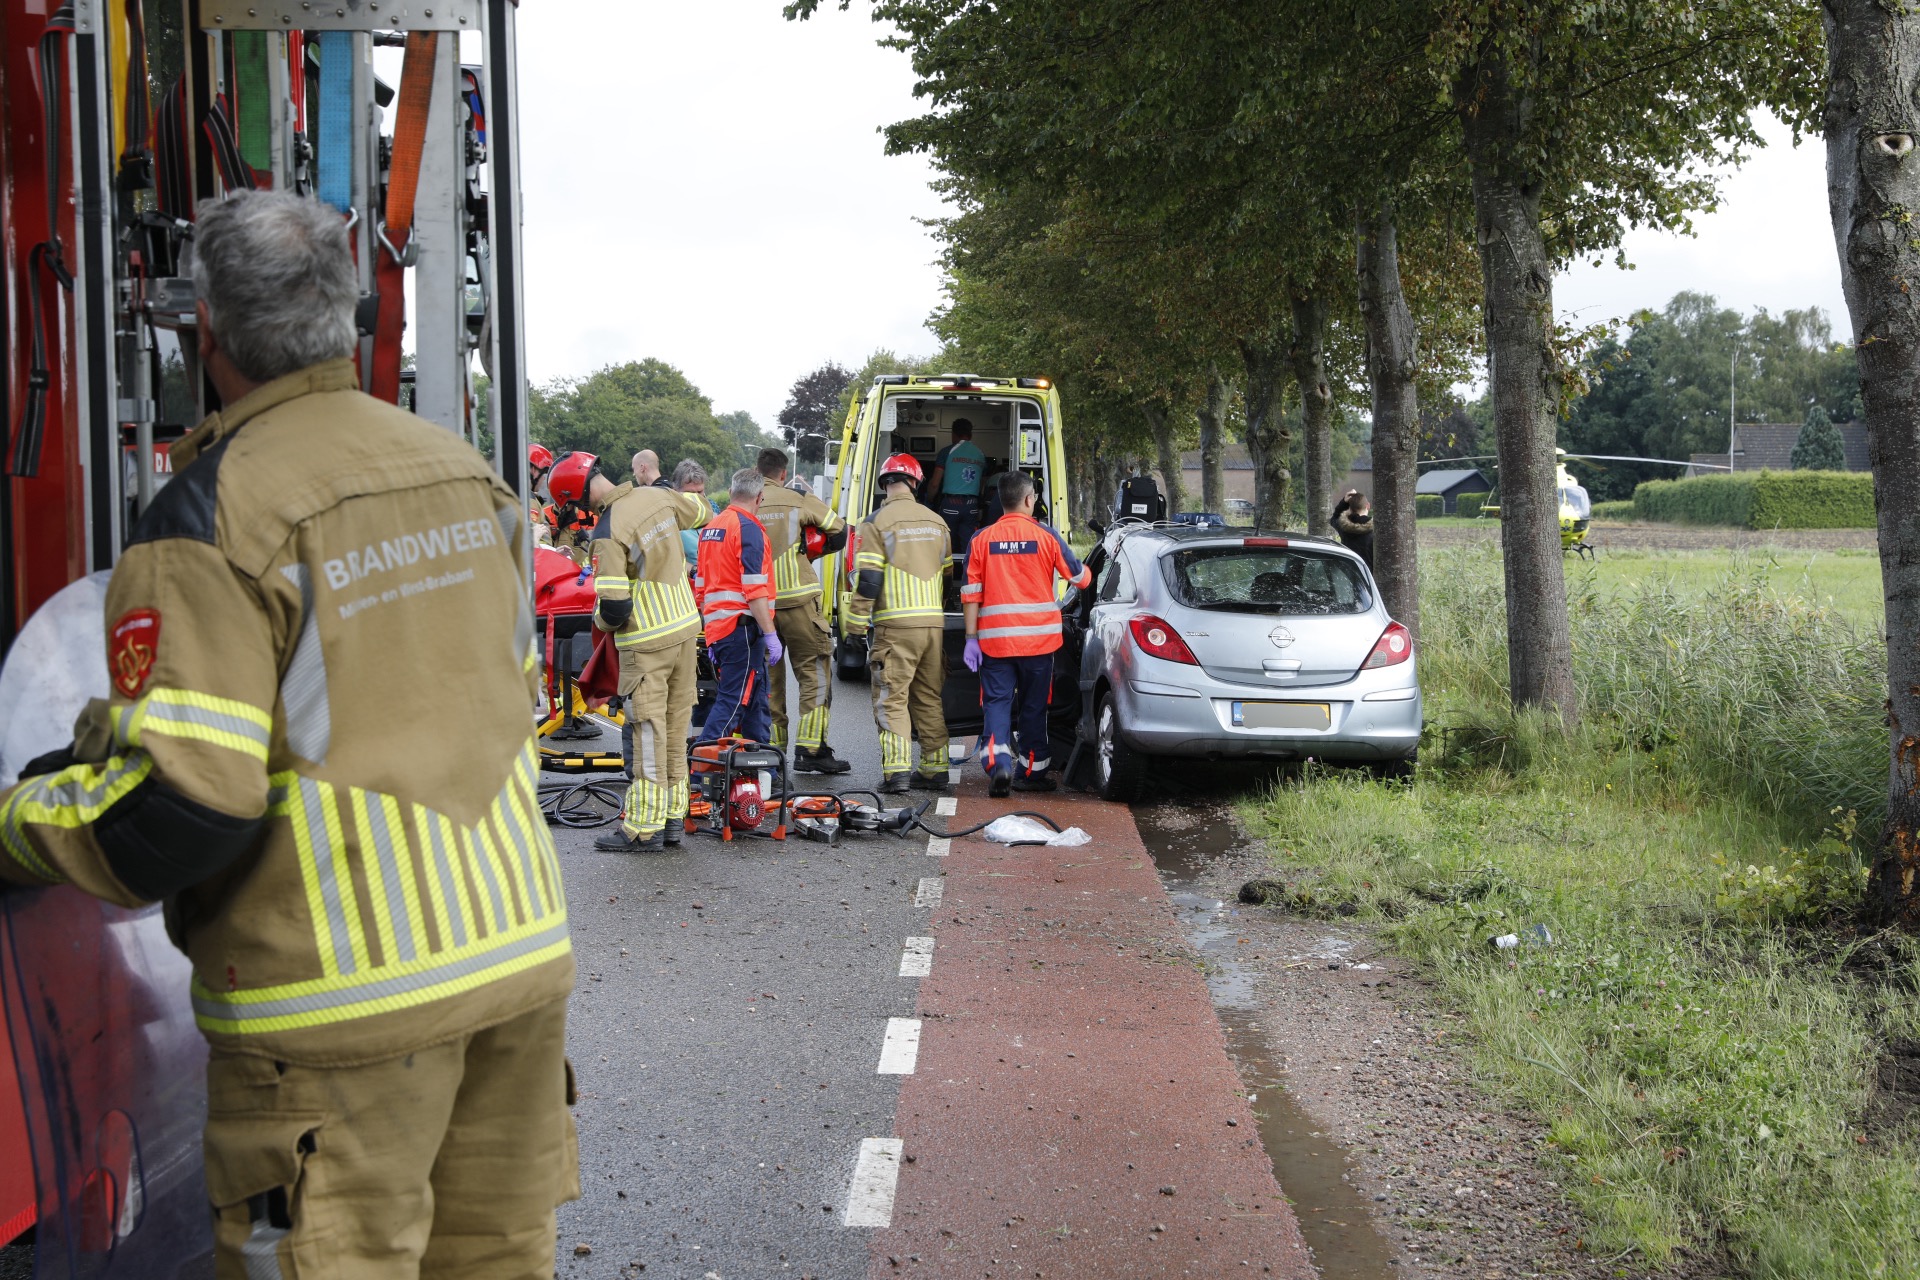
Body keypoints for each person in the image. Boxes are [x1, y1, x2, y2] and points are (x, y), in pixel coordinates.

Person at [0, 191, 577, 1275]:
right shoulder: (465, 472)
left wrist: (20, 823)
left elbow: (184, 804)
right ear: (347, 319)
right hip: (517, 963)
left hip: (339, 1014)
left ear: (201, 328)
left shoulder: (212, 513)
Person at [548, 451, 711, 852]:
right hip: (686, 631)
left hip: (647, 641)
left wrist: (600, 626)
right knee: (676, 729)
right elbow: (702, 510)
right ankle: (674, 819)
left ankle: (643, 828)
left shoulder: (606, 528)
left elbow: (615, 607)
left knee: (648, 732)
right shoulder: (656, 495)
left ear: (577, 496)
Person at [963, 470, 1091, 797]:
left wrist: (970, 639)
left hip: (996, 644)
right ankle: (1031, 773)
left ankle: (999, 765)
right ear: (1029, 499)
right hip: (1039, 645)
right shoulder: (1046, 536)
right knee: (1034, 708)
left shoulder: (981, 540)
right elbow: (1080, 580)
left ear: (1000, 501)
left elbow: (971, 594)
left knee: (996, 704)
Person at [845, 454, 954, 793]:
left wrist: (853, 627)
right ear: (916, 483)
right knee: (928, 696)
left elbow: (869, 582)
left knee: (891, 697)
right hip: (932, 628)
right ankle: (936, 769)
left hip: (896, 628)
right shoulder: (937, 522)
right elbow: (948, 578)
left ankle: (897, 773)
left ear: (885, 484)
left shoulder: (875, 522)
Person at [754, 447, 851, 774]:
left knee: (769, 681)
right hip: (799, 601)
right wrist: (809, 554)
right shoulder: (798, 499)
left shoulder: (744, 503)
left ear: (758, 471)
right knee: (814, 673)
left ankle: (772, 754)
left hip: (758, 607)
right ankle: (811, 750)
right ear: (783, 474)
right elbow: (838, 530)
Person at [696, 468, 782, 745]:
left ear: (732, 493)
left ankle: (764, 770)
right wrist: (771, 634)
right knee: (733, 703)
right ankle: (701, 773)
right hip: (742, 630)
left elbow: (701, 586)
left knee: (755, 704)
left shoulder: (711, 528)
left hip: (722, 630)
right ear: (759, 498)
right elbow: (755, 590)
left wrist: (711, 629)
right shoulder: (749, 529)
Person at [928, 417, 987, 552]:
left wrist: (930, 500)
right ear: (970, 434)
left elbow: (935, 483)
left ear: (953, 434)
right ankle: (966, 572)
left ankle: (949, 572)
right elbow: (982, 481)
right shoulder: (980, 454)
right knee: (968, 545)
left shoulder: (946, 452)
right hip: (972, 504)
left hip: (951, 504)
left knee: (947, 544)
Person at [1331, 489, 1374, 567]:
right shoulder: (1377, 530)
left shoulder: (1343, 525)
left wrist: (1344, 502)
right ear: (1368, 506)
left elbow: (1334, 518)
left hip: (1348, 573)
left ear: (1350, 508)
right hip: (1369, 576)